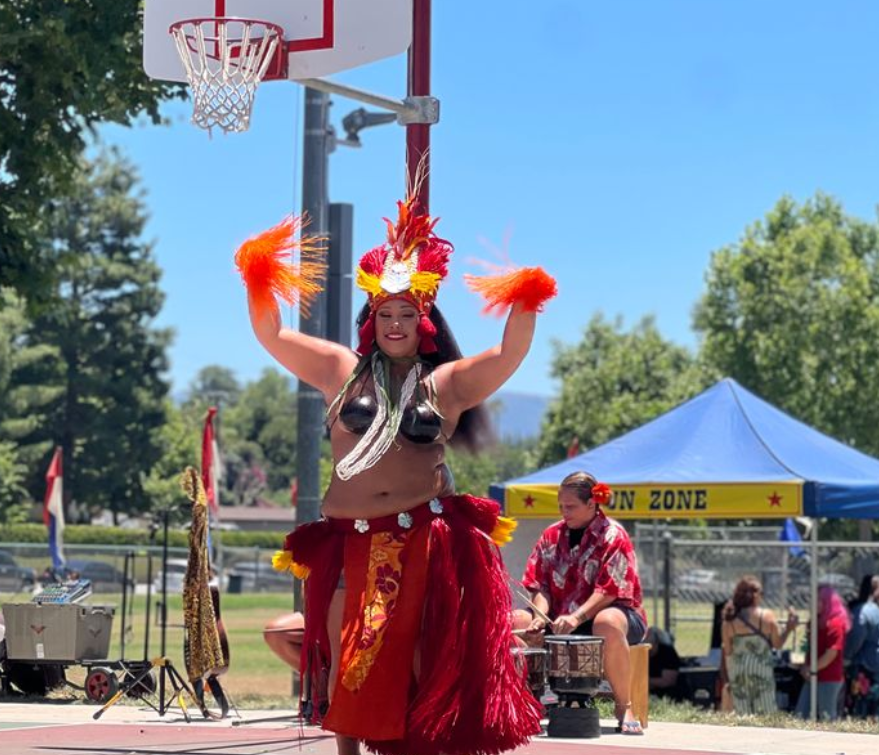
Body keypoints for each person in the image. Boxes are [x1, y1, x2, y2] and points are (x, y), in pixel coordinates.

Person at [235, 193, 556, 755]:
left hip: (419, 538)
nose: (395, 323)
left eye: (406, 313)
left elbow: (509, 354)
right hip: (346, 539)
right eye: (385, 314)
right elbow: (273, 336)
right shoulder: (338, 369)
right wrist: (259, 273)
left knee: (410, 656)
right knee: (346, 652)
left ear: (424, 320)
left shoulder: (446, 385)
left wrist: (527, 296)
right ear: (372, 320)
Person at [515, 471, 648, 734]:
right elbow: (539, 585)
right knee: (516, 620)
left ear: (592, 503)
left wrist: (576, 617)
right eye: (561, 506)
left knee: (607, 622)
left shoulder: (613, 535)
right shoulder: (551, 535)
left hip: (613, 616)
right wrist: (540, 617)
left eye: (571, 506)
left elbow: (608, 590)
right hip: (562, 618)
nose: (564, 512)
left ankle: (624, 705)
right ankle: (526, 705)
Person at [720, 575, 799, 716]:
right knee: (765, 716)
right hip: (761, 672)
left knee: (741, 716)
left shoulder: (728, 622)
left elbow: (728, 652)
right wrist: (789, 628)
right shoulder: (766, 616)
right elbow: (778, 644)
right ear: (756, 596)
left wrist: (727, 680)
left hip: (738, 673)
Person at [845, 576, 879, 720]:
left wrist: (846, 657)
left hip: (870, 668)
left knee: (865, 714)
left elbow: (856, 639)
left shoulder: (864, 610)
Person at [794, 585, 850, 721]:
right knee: (801, 714)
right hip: (812, 676)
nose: (815, 604)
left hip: (829, 678)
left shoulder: (836, 623)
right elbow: (808, 646)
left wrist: (811, 669)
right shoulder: (816, 622)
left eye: (820, 600)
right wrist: (804, 665)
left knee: (827, 717)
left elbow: (831, 653)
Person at [647, 626, 681, 700]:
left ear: (656, 641)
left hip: (668, 695)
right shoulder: (641, 654)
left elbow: (668, 681)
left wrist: (646, 681)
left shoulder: (667, 653)